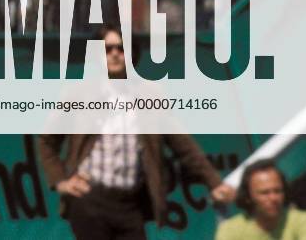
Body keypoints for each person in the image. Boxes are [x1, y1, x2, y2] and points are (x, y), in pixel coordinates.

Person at [38, 25, 236, 239]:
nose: (114, 54)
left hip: (130, 204)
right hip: (90, 198)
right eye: (107, 49)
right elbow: (46, 141)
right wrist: (61, 182)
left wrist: (214, 182)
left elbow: (183, 145)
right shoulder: (78, 94)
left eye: (121, 49)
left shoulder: (150, 94)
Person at [216, 159, 306, 240]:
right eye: (264, 193)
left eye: (277, 191)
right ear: (248, 196)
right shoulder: (230, 231)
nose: (273, 198)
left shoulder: (302, 221)